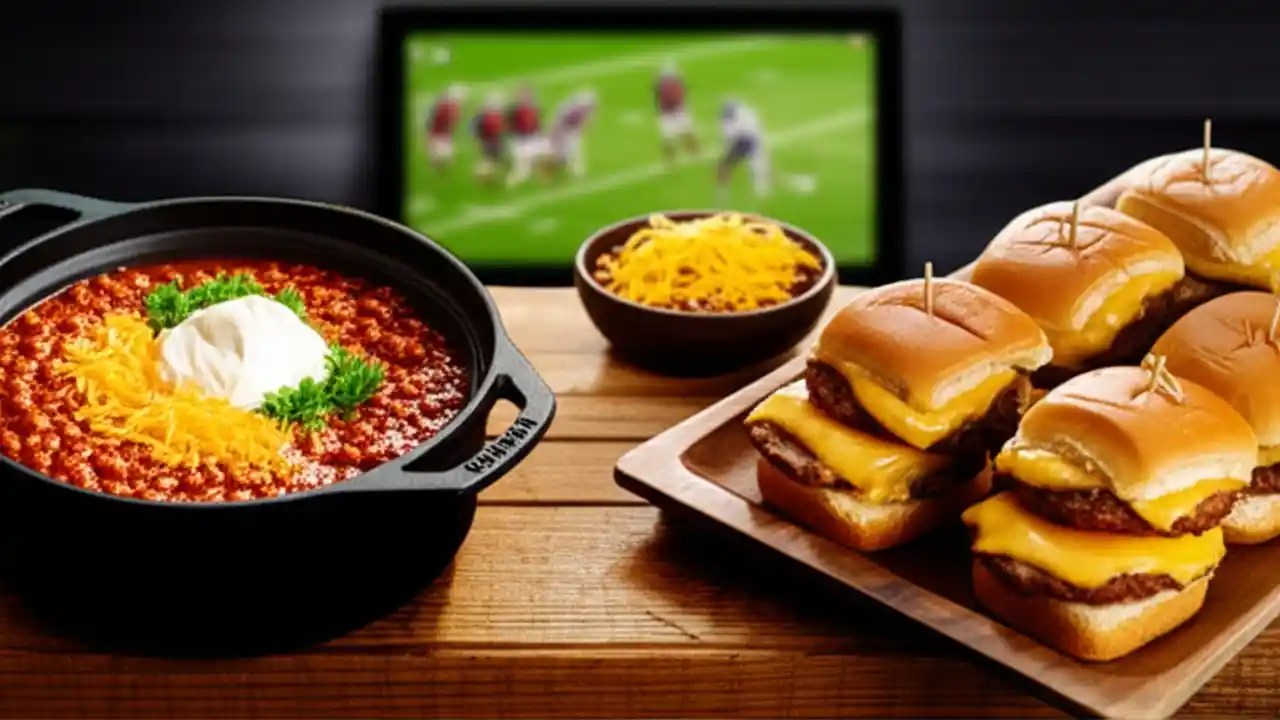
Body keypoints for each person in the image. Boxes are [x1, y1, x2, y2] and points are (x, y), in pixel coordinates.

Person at [717, 100, 770, 201]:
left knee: (756, 166)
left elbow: (755, 136)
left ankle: (761, 189)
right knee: (725, 165)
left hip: (749, 139)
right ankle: (722, 192)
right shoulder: (743, 115)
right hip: (745, 140)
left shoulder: (744, 119)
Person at [505, 85, 551, 187]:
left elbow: (539, 123)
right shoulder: (514, 110)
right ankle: (510, 184)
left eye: (528, 95)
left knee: (547, 155)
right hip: (521, 141)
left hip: (533, 139)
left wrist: (541, 134)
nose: (526, 97)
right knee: (522, 173)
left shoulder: (535, 108)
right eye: (523, 95)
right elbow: (509, 127)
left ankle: (545, 179)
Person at [654, 61, 698, 163]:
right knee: (668, 138)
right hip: (669, 113)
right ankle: (670, 160)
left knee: (686, 133)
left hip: (677, 111)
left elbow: (678, 98)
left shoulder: (674, 84)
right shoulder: (669, 84)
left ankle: (695, 152)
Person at [549, 89, 597, 178]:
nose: (584, 108)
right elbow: (557, 123)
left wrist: (588, 124)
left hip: (574, 130)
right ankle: (561, 165)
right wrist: (554, 134)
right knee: (564, 152)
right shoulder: (567, 110)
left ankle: (578, 171)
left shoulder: (589, 104)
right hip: (564, 130)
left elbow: (593, 110)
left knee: (576, 151)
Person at [424, 84, 465, 173]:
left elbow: (430, 119)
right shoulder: (451, 107)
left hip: (439, 133)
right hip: (440, 133)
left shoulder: (447, 106)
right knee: (442, 152)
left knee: (440, 151)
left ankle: (439, 165)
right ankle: (440, 164)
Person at [471, 93, 507, 184]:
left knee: (494, 161)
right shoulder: (486, 117)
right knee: (491, 161)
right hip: (491, 141)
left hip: (493, 141)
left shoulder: (485, 115)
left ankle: (487, 177)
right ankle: (482, 175)